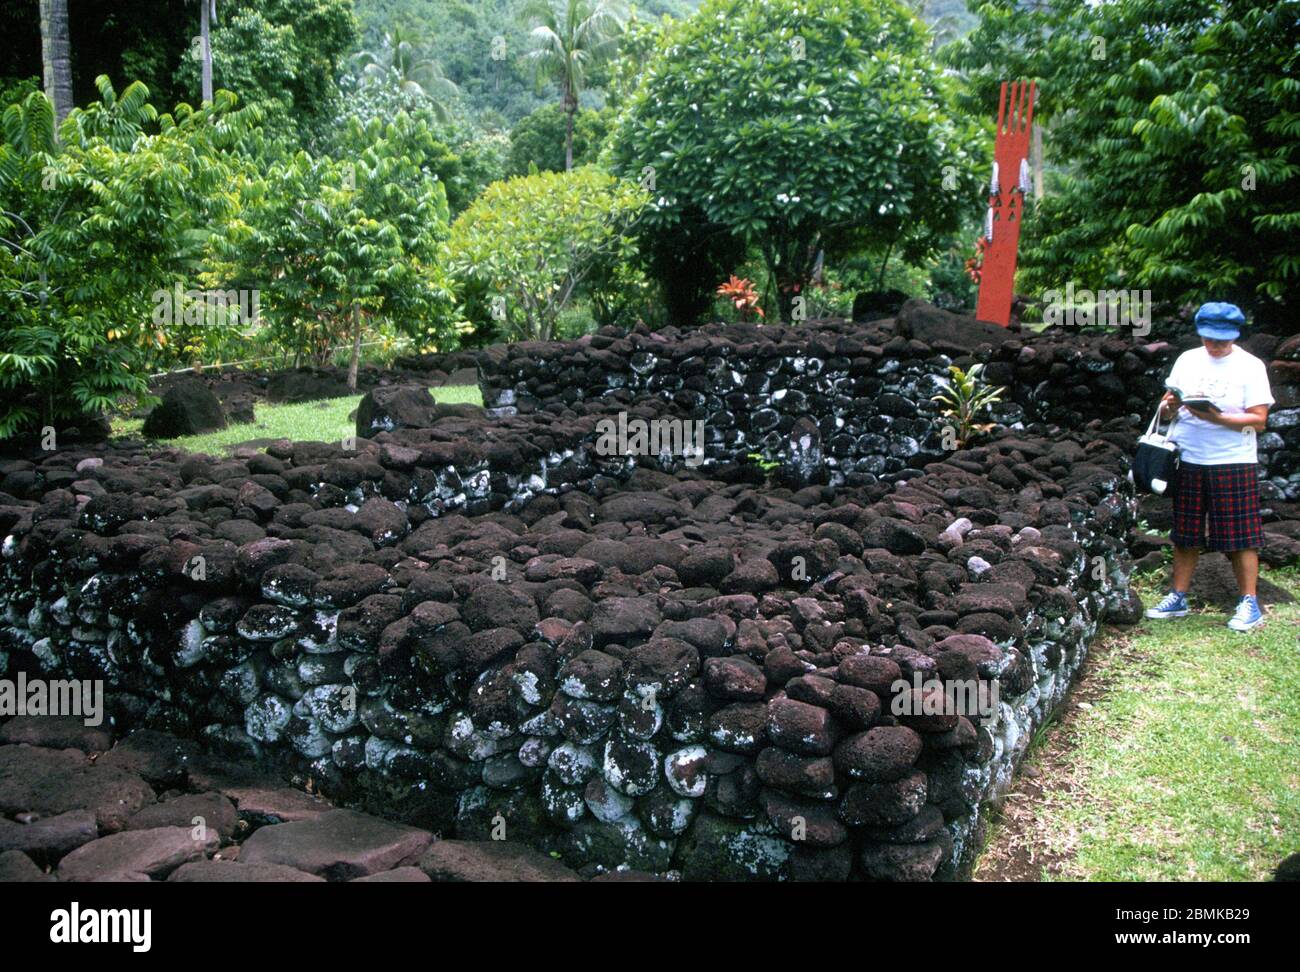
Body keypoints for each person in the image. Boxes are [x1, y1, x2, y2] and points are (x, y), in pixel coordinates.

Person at [1145, 302, 1274, 632]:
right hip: (1188, 455)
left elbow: (1258, 420)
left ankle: (1248, 602)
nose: (1215, 346)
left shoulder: (1250, 366)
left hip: (1232, 458)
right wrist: (1170, 406)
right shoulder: (1188, 360)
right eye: (1209, 339)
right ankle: (1178, 595)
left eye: (1222, 340)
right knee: (1185, 532)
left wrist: (1217, 417)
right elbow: (1167, 407)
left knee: (1241, 535)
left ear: (1235, 336)